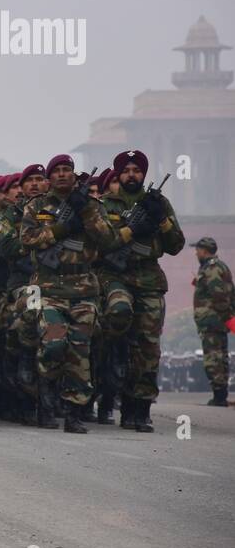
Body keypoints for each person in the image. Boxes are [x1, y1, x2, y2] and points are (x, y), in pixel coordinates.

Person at [18, 155, 116, 433]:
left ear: (74, 175)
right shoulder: (36, 206)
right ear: (50, 178)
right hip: (48, 288)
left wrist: (85, 213)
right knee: (53, 344)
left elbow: (108, 239)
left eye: (67, 170)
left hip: (83, 287)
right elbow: (27, 240)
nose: (62, 175)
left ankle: (74, 412)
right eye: (57, 171)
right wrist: (60, 228)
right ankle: (46, 399)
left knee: (79, 351)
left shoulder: (92, 206)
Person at [95, 150, 185, 431]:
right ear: (118, 175)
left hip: (148, 279)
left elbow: (175, 245)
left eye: (136, 170)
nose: (131, 174)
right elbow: (100, 243)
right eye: (126, 170)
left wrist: (162, 220)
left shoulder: (159, 203)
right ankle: (110, 376)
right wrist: (129, 230)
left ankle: (140, 408)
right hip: (114, 276)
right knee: (118, 315)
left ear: (143, 174)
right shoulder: (104, 205)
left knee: (148, 347)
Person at [190, 236, 232, 407]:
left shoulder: (212, 269)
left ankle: (219, 395)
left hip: (213, 321)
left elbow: (219, 296)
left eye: (198, 250)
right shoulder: (219, 266)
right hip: (217, 320)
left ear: (205, 251)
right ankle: (220, 393)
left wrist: (223, 317)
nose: (196, 253)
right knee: (221, 356)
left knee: (213, 357)